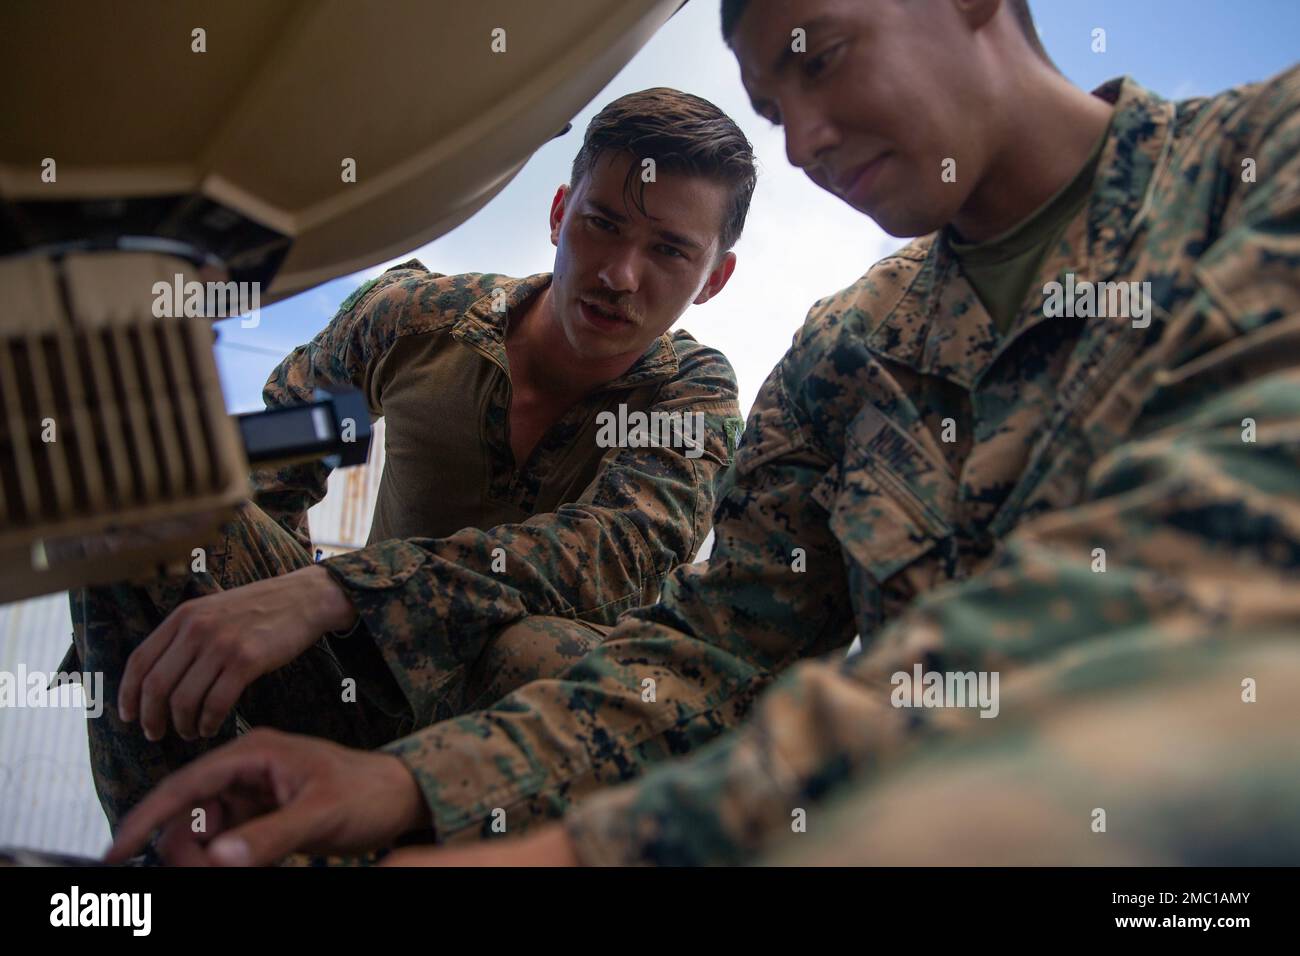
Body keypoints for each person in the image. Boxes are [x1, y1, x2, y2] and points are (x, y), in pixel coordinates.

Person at [109, 0, 1300, 866]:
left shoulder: (1260, 169)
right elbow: (719, 654)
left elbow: (1204, 558)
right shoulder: (850, 348)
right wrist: (414, 781)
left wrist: (552, 851)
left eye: (820, 59)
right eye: (774, 107)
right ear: (562, 212)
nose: (806, 139)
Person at [74, 87, 754, 832]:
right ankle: (164, 851)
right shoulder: (413, 315)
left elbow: (616, 551)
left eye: (668, 250)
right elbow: (274, 461)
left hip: (523, 748)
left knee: (541, 653)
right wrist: (257, 612)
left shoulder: (692, 396)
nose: (619, 274)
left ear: (714, 277)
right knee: (150, 510)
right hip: (346, 684)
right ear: (560, 213)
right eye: (603, 224)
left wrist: (335, 588)